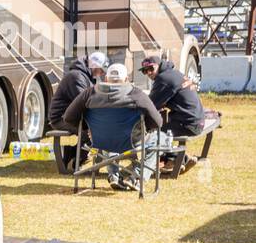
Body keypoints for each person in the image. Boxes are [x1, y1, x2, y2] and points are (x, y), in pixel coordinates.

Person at [63, 63, 163, 191]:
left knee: (108, 134)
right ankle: (136, 177)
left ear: (105, 79)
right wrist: (145, 128)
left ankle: (114, 176)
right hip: (131, 141)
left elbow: (68, 117)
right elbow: (157, 122)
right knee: (158, 138)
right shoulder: (136, 94)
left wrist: (88, 129)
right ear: (126, 79)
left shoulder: (89, 93)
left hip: (100, 140)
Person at [50, 51, 108, 168]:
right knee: (91, 131)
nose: (101, 73)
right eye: (101, 70)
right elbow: (84, 103)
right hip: (61, 118)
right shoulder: (76, 77)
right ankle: (76, 160)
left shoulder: (85, 76)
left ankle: (72, 155)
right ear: (94, 66)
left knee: (97, 128)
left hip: (72, 116)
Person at [141, 56, 217, 138]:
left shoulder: (164, 78)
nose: (148, 73)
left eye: (151, 68)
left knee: (152, 136)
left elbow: (149, 106)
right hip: (196, 120)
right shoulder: (173, 73)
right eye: (144, 71)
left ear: (158, 65)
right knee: (158, 131)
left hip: (189, 125)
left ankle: (171, 151)